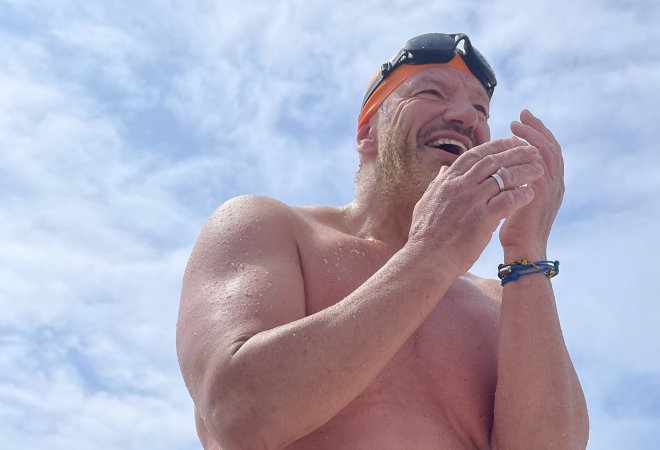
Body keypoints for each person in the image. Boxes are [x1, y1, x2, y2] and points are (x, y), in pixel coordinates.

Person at [176, 32, 589, 449]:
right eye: (432, 92)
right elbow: (238, 413)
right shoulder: (269, 226)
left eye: (481, 108)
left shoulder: (502, 298)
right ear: (368, 131)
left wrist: (527, 253)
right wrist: (432, 255)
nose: (468, 117)